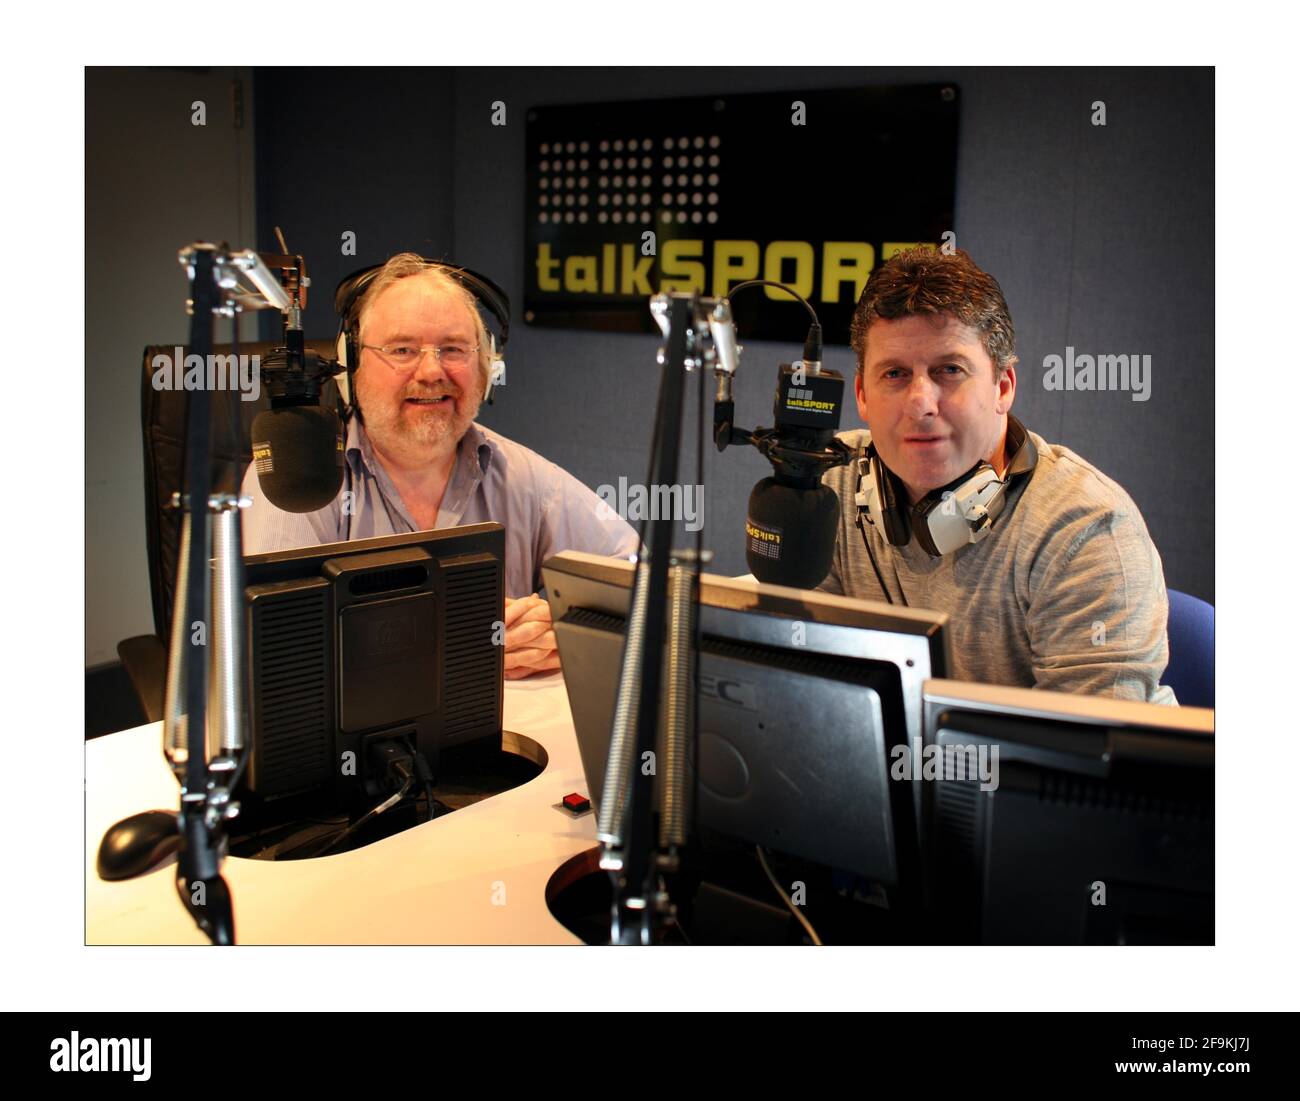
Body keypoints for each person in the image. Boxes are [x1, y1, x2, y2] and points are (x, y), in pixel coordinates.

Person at [241, 253, 638, 678]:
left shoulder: (522, 476)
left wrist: (564, 625)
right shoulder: (300, 479)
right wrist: (461, 647)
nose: (431, 371)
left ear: (486, 364)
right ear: (351, 364)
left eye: (452, 349)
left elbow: (638, 581)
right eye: (402, 349)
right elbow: (282, 649)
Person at [818, 247, 1176, 703]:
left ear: (1003, 386)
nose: (921, 402)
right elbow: (808, 683)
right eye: (895, 373)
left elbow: (1085, 759)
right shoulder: (832, 480)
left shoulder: (1085, 530)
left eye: (949, 370)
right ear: (863, 394)